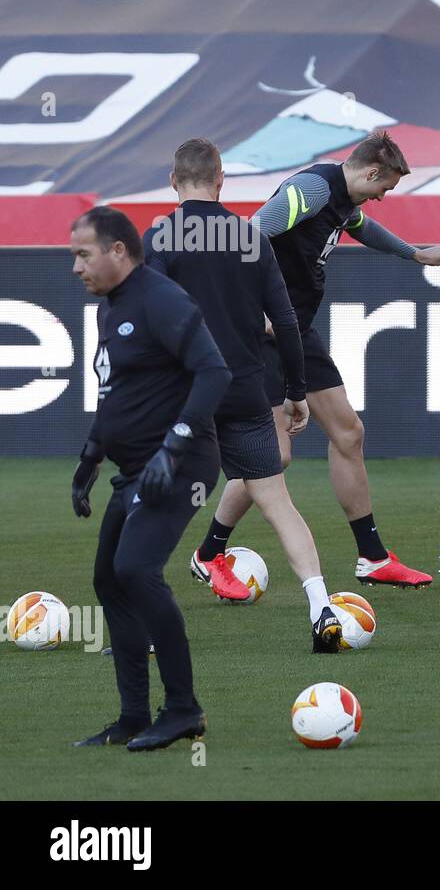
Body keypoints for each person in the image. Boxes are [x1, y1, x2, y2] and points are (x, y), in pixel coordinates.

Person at [202, 130, 440, 588]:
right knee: (275, 456)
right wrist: (251, 305)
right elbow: (248, 235)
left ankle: (373, 557)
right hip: (261, 334)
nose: (382, 198)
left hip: (296, 332)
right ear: (370, 172)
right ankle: (209, 553)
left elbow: (363, 228)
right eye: (385, 188)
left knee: (348, 432)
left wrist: (416, 254)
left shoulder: (342, 199)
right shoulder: (313, 190)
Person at [144, 137, 343, 651]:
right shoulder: (249, 238)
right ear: (221, 179)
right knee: (278, 503)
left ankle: (142, 625)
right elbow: (286, 322)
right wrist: (297, 391)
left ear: (173, 181)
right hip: (245, 395)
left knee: (153, 505)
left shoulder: (161, 237)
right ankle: (321, 607)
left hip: (184, 398)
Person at [70, 206, 231, 750]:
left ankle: (183, 709)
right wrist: (92, 454)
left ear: (118, 251)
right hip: (137, 467)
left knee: (136, 569)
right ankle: (135, 716)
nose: (76, 267)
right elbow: (116, 392)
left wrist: (173, 447)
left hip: (180, 464)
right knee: (110, 580)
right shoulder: (110, 309)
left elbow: (214, 372)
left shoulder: (161, 298)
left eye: (82, 254)